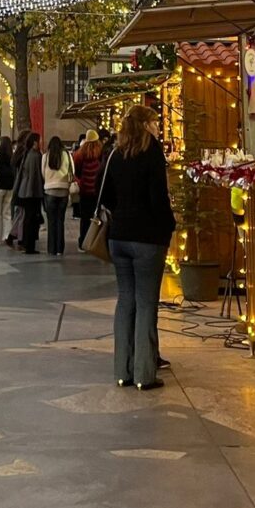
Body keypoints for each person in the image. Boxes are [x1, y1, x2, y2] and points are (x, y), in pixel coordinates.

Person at [98, 105, 175, 392]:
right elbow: (158, 199)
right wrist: (169, 225)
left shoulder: (116, 154)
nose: (157, 126)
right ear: (146, 125)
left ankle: (123, 370)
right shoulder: (152, 152)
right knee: (146, 304)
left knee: (125, 302)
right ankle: (144, 373)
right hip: (148, 238)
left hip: (119, 238)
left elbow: (103, 194)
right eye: (155, 122)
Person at [12, 132, 44, 254]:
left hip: (26, 191)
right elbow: (34, 176)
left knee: (27, 218)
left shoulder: (29, 154)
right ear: (35, 142)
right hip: (31, 192)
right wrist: (36, 192)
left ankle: (26, 243)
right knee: (30, 219)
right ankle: (28, 245)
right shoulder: (34, 156)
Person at [42, 135, 73, 257]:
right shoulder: (67, 155)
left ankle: (51, 249)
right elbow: (72, 171)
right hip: (64, 190)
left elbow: (42, 172)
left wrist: (49, 182)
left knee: (51, 221)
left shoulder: (46, 156)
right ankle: (60, 249)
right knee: (61, 220)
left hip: (50, 191)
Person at [73, 129, 103, 248]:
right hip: (96, 190)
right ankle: (94, 242)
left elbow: (77, 171)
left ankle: (83, 242)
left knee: (84, 218)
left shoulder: (80, 154)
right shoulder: (100, 152)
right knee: (96, 217)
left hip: (84, 190)